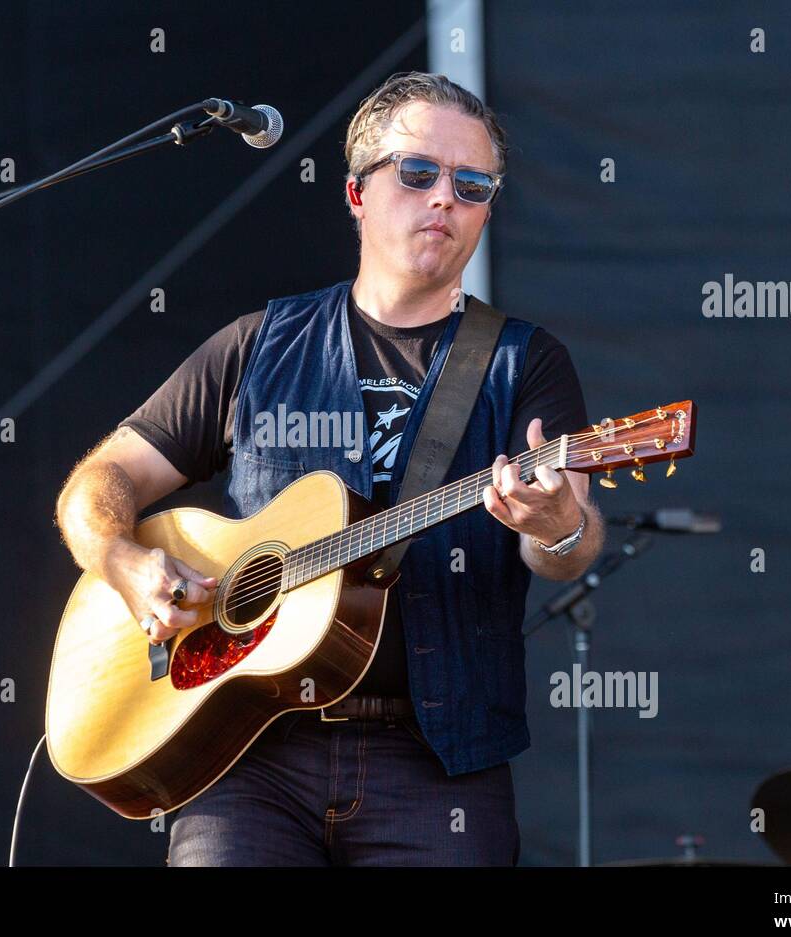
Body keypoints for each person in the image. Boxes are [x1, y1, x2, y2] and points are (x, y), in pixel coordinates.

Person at [55, 71, 604, 866]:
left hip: (439, 762)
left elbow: (573, 547)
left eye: (473, 184)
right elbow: (96, 485)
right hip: (246, 758)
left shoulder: (525, 364)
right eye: (418, 173)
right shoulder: (256, 347)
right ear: (356, 192)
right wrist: (125, 560)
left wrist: (557, 528)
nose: (445, 198)